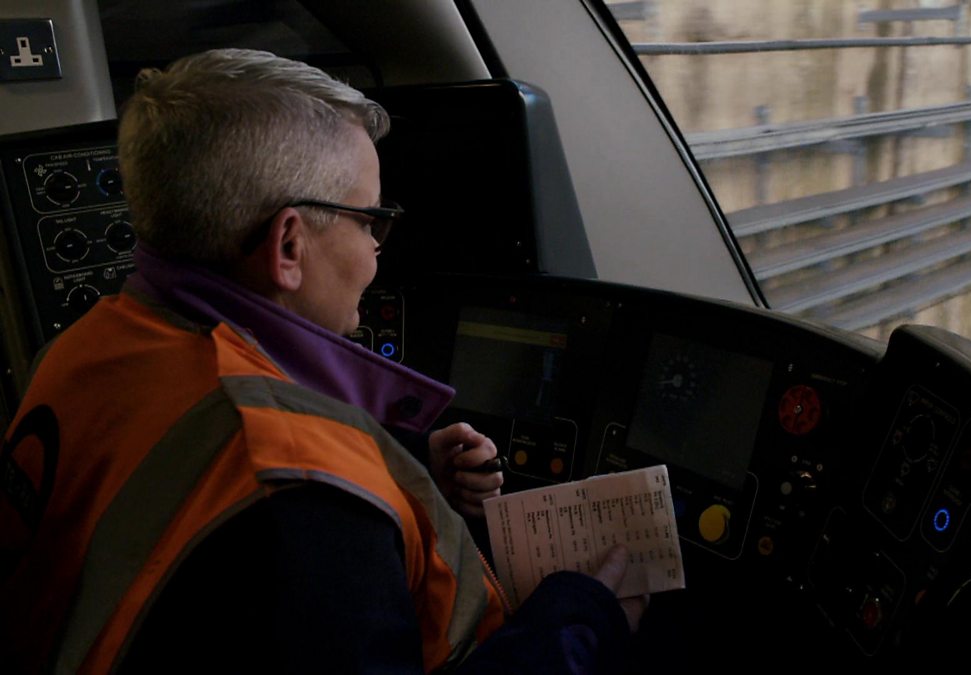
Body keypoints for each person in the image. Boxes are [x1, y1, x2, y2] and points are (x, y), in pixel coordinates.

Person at [0, 48, 641, 674]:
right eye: (372, 220)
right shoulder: (302, 500)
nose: (375, 253)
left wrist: (406, 482)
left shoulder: (83, 348)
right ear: (288, 244)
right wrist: (577, 622)